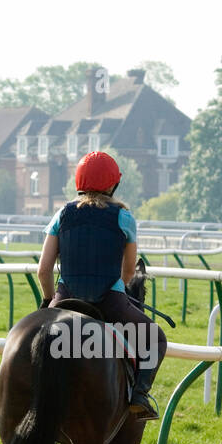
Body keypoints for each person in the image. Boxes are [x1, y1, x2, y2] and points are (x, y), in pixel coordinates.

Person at [36, 150, 166, 420]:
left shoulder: (62, 215)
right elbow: (128, 272)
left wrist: (48, 302)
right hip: (110, 300)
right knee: (156, 339)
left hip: (65, 300)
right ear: (112, 184)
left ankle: (31, 396)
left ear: (79, 182)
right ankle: (139, 395)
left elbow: (43, 269)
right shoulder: (124, 217)